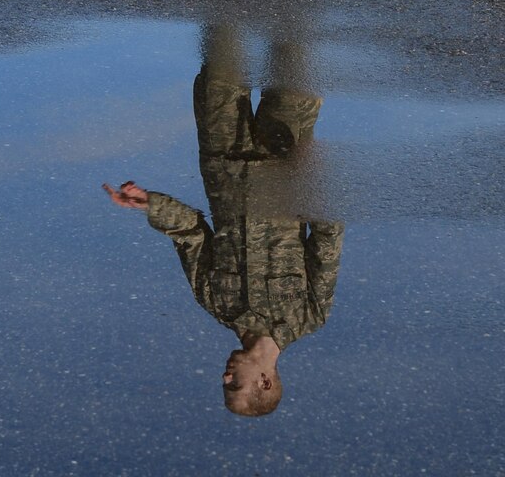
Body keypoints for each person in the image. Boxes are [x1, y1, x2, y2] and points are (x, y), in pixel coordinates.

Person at [104, 25, 344, 417]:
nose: (224, 377)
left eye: (225, 385)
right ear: (264, 381)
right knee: (293, 45)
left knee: (222, 42)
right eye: (235, 385)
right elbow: (327, 237)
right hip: (282, 157)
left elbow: (192, 235)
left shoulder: (215, 303)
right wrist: (312, 177)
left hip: (222, 155)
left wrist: (150, 203)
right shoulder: (309, 315)